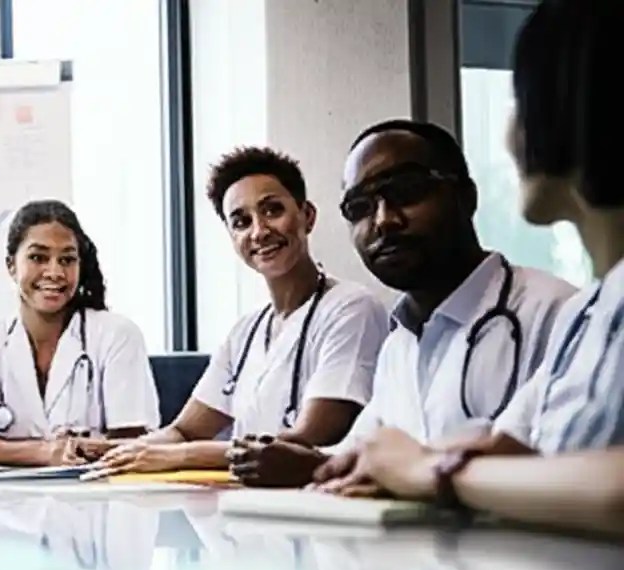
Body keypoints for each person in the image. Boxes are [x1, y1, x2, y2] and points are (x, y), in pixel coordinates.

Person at [312, 0, 624, 535]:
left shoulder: (559, 307)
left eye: (524, 101)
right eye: (361, 207)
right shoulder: (592, 312)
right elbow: (512, 442)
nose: (508, 134)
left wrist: (431, 470)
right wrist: (379, 463)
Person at [233, 120, 577, 487]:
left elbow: (576, 477)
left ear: (466, 197)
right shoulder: (399, 344)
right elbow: (359, 458)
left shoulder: (556, 313)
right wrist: (310, 465)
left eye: (407, 191)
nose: (384, 220)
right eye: (360, 206)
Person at [89, 147, 387, 478]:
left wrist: (179, 456)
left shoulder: (351, 308)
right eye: (241, 222)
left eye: (272, 210)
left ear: (307, 216)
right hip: (248, 508)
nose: (259, 232)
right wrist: (121, 451)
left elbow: (302, 444)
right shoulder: (246, 332)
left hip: (318, 504)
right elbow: (183, 432)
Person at [0, 199, 159, 467]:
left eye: (67, 259)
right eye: (38, 258)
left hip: (96, 498)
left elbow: (134, 443)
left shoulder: (117, 335)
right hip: (9, 500)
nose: (55, 272)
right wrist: (46, 453)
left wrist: (68, 451)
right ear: (11, 265)